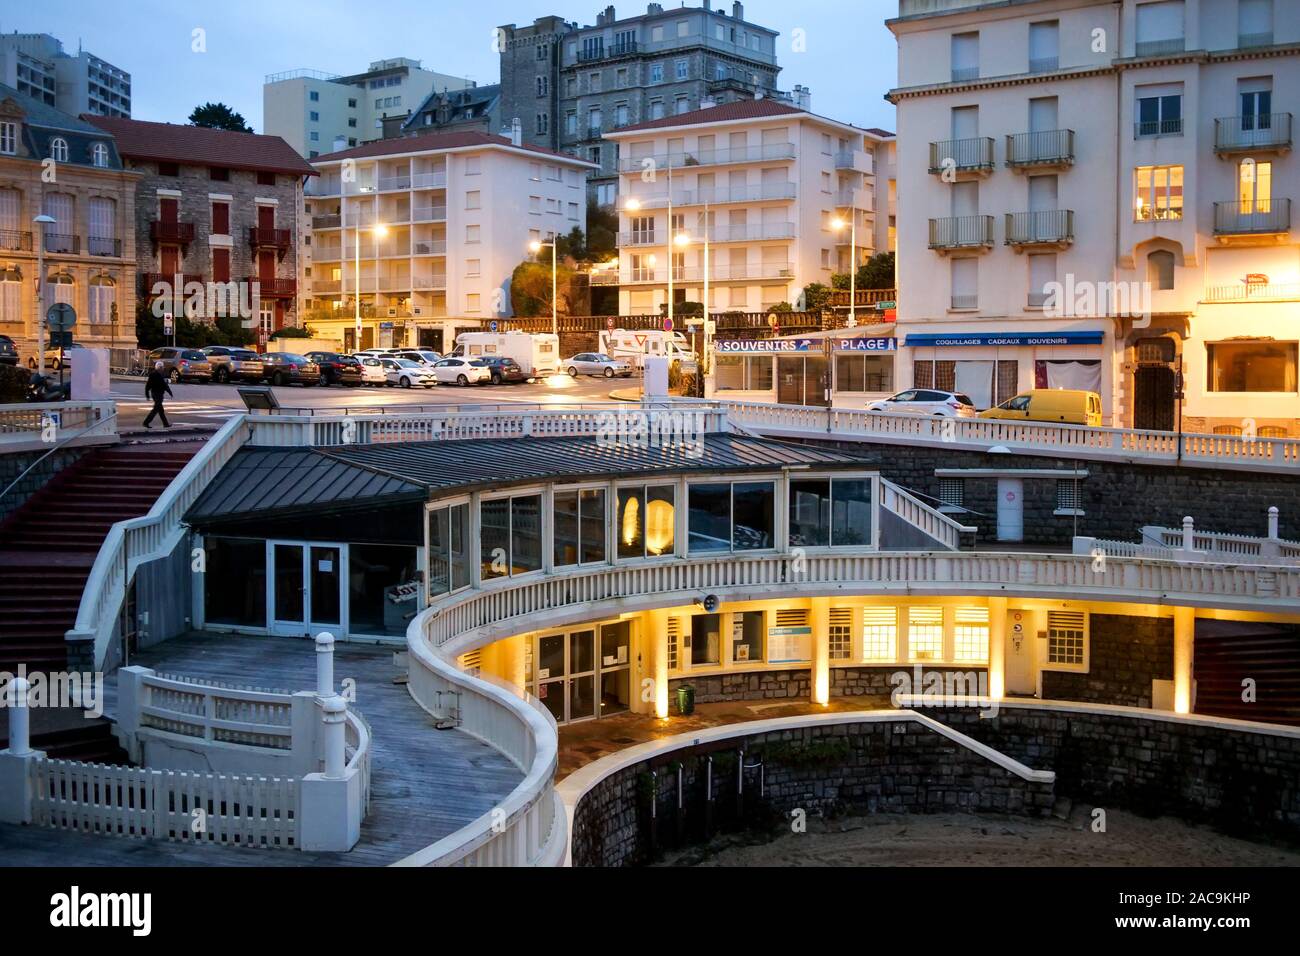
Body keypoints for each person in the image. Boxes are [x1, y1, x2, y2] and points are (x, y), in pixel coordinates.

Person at [143, 361, 172, 429]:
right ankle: (146, 422)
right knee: (156, 409)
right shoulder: (153, 375)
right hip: (156, 394)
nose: (162, 369)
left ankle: (165, 424)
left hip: (159, 394)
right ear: (158, 368)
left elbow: (165, 385)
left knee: (160, 410)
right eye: (161, 367)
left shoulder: (161, 375)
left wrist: (169, 392)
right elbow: (148, 386)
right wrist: (147, 395)